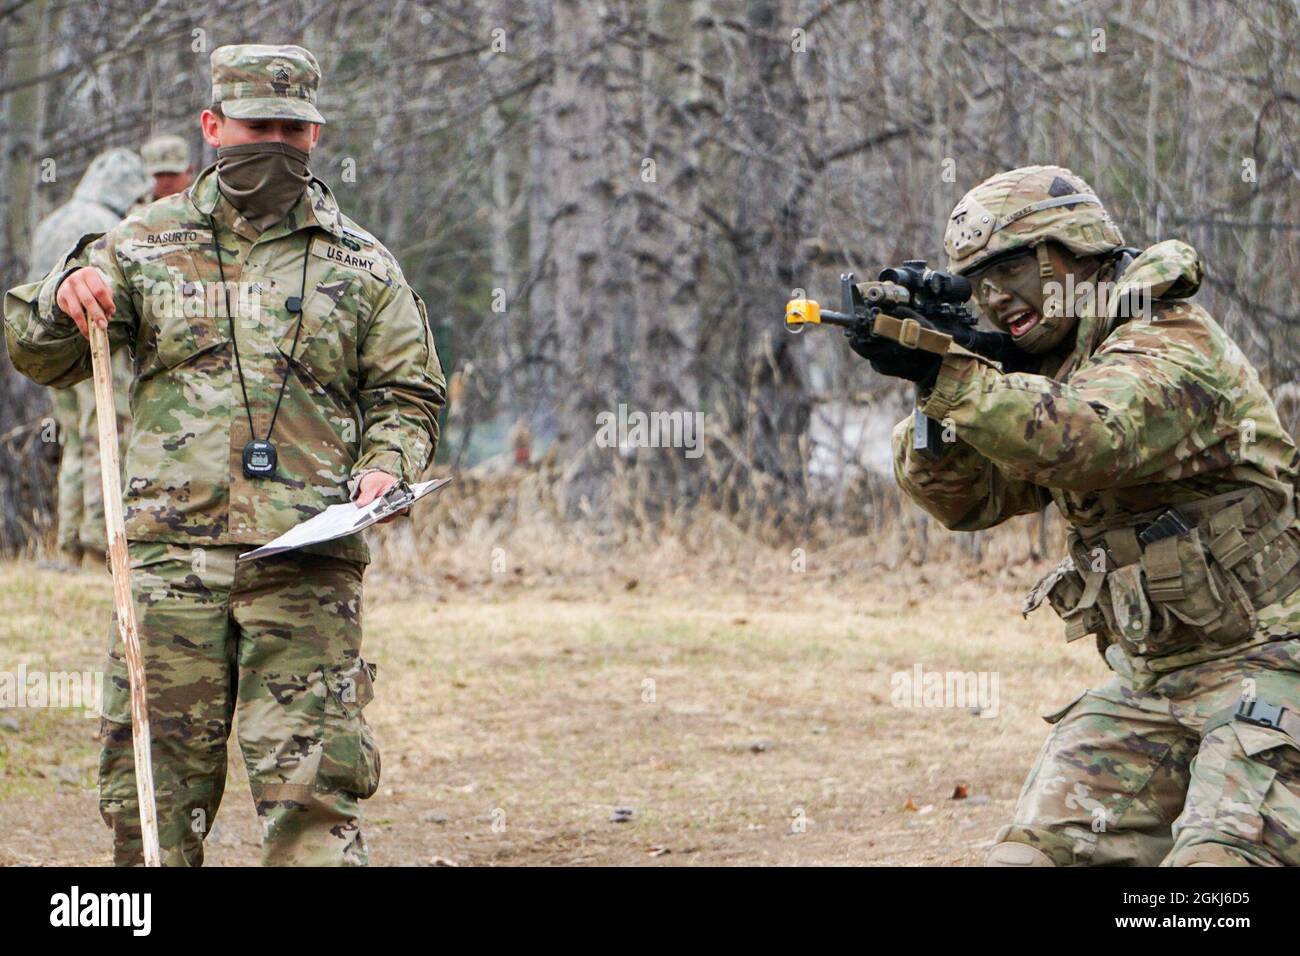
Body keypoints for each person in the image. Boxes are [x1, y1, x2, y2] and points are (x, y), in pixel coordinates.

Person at [4, 43, 446, 866]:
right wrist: (65, 295)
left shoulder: (363, 263)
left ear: (316, 135)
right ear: (213, 127)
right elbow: (42, 351)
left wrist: (388, 462)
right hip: (170, 566)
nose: (274, 143)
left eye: (292, 128)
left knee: (314, 796)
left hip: (307, 563)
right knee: (151, 801)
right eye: (256, 126)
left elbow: (409, 394)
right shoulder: (141, 244)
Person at [870, 164, 1300, 866]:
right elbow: (969, 499)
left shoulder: (1170, 339)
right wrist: (934, 395)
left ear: (1073, 249)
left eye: (1011, 267)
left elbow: (1091, 439)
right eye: (978, 284)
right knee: (1028, 859)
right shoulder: (1054, 367)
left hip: (1276, 666)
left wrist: (952, 377)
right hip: (1150, 681)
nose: (995, 296)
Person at [27, 149, 146, 568]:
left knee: (73, 439)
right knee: (107, 435)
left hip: (54, 347)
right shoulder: (107, 225)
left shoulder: (53, 221)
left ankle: (69, 541)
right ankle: (99, 541)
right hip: (97, 341)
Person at [140, 133, 195, 201]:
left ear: (189, 172)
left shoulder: (204, 207)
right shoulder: (136, 209)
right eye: (159, 175)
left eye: (172, 174)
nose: (166, 182)